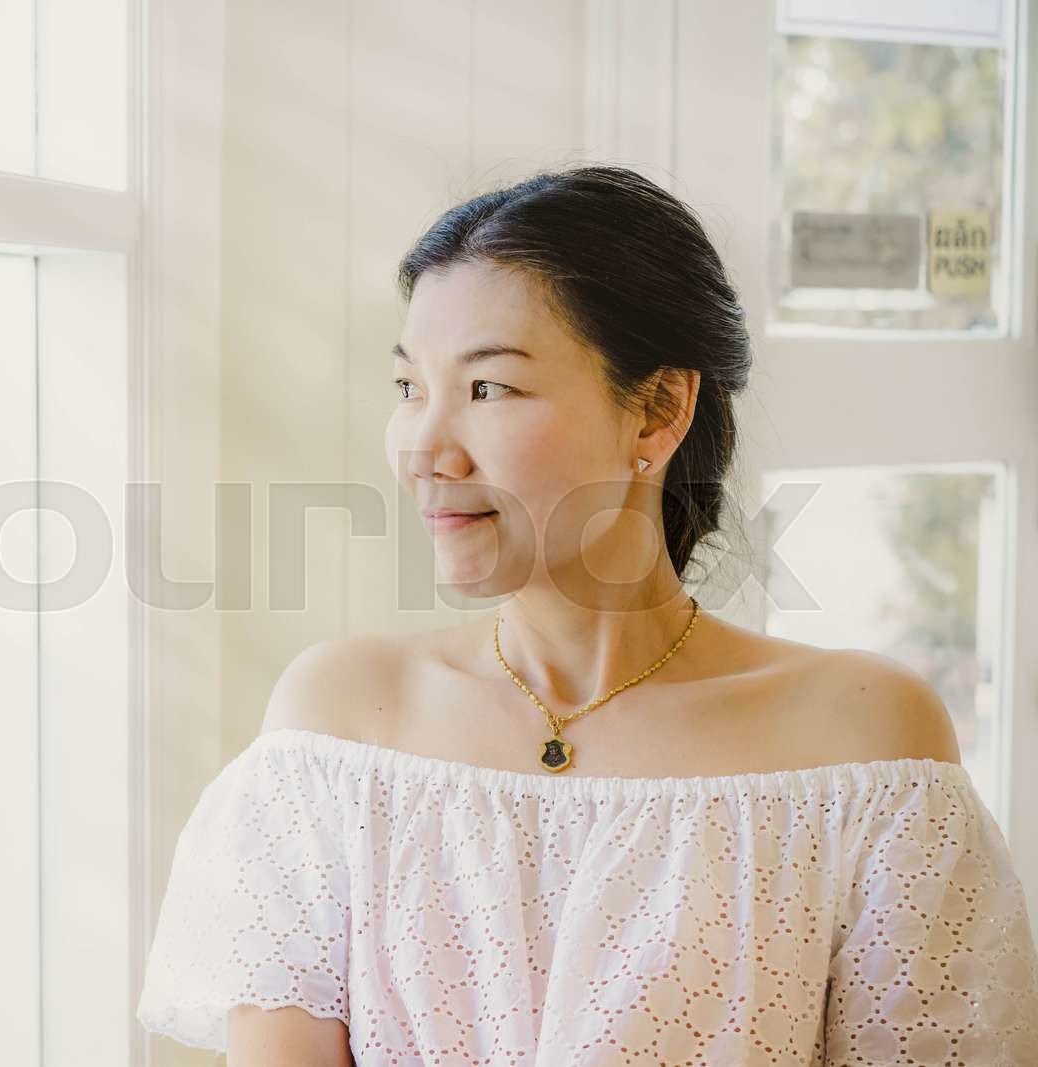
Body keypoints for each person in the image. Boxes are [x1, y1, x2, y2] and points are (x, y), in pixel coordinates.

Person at [135, 165, 1038, 1065]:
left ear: (657, 412)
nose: (423, 446)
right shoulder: (334, 731)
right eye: (409, 386)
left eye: (489, 388)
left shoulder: (865, 747)